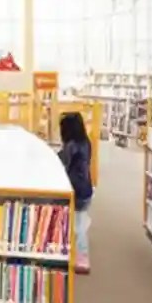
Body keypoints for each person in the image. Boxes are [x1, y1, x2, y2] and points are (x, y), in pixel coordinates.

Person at [57, 112, 94, 275]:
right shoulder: (86, 142)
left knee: (77, 226)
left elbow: (63, 162)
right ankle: (79, 255)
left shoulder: (71, 146)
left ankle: (82, 259)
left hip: (76, 190)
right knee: (80, 223)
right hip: (86, 189)